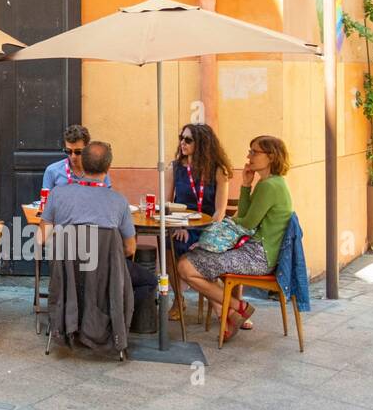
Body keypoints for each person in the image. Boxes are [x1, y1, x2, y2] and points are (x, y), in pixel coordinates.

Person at [176, 135, 294, 343]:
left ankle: (238, 307)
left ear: (271, 156)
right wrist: (246, 185)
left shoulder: (270, 186)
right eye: (250, 151)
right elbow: (245, 215)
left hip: (258, 257)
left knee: (186, 266)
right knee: (199, 259)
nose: (249, 156)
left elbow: (247, 223)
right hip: (259, 252)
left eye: (254, 152)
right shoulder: (271, 183)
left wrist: (227, 226)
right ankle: (231, 314)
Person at [38, 141, 154, 314]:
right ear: (108, 169)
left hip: (67, 272)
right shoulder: (119, 202)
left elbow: (42, 238)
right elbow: (130, 248)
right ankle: (110, 316)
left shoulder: (56, 195)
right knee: (150, 281)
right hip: (106, 272)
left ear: (83, 165)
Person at [168, 122, 235, 323]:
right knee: (170, 244)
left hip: (209, 228)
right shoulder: (175, 168)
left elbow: (219, 211)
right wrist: (180, 225)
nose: (182, 143)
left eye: (188, 140)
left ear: (203, 144)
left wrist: (206, 237)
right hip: (181, 225)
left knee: (200, 252)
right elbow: (168, 204)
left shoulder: (218, 170)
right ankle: (179, 299)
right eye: (181, 138)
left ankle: (222, 306)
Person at [40, 124, 112, 192]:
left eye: (78, 152)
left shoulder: (98, 170)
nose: (73, 156)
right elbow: (46, 200)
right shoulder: (52, 171)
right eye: (68, 151)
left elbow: (107, 196)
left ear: (87, 148)